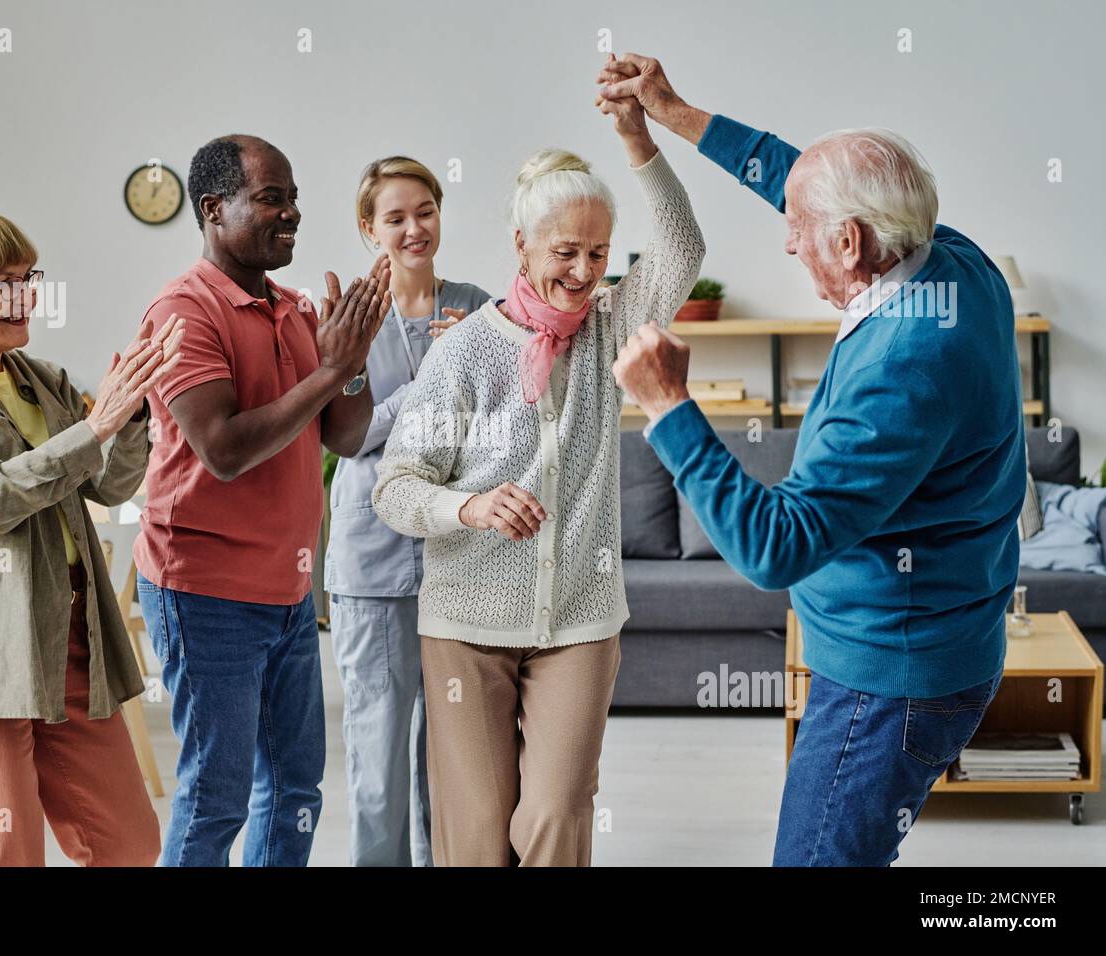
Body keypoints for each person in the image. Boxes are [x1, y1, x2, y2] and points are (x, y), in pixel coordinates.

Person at [600, 53, 1023, 866]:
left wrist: (668, 406)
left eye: (797, 229)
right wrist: (675, 112)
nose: (788, 244)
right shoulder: (951, 256)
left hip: (885, 681)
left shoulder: (905, 367)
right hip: (924, 648)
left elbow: (775, 546)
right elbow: (801, 176)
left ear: (851, 241)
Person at [371, 72, 705, 866]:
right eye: (566, 253)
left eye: (597, 253)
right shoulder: (463, 351)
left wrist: (637, 140)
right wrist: (472, 507)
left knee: (555, 819)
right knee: (477, 838)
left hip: (580, 618)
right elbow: (395, 486)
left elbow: (683, 246)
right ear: (520, 245)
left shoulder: (610, 326)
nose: (585, 272)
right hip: (465, 625)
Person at [0, 209, 184, 866]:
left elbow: (108, 486)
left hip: (68, 639)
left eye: (28, 278)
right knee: (6, 853)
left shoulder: (38, 378)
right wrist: (94, 428)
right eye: (2, 282)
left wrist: (130, 417)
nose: (26, 296)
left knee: (128, 843)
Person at [135, 134, 390, 867]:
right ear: (216, 209)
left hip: (286, 590)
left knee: (294, 790)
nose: (293, 214)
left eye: (294, 198)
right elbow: (224, 448)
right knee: (216, 798)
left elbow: (344, 432)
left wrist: (354, 360)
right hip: (204, 591)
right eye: (272, 198)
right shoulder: (184, 310)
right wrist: (330, 367)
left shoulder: (293, 307)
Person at [325, 155, 490, 867]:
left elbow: (499, 429)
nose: (414, 228)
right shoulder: (347, 321)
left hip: (462, 560)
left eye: (425, 210)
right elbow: (350, 435)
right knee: (378, 756)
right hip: (374, 566)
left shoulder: (479, 307)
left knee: (452, 760)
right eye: (395, 218)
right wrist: (432, 383)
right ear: (370, 230)